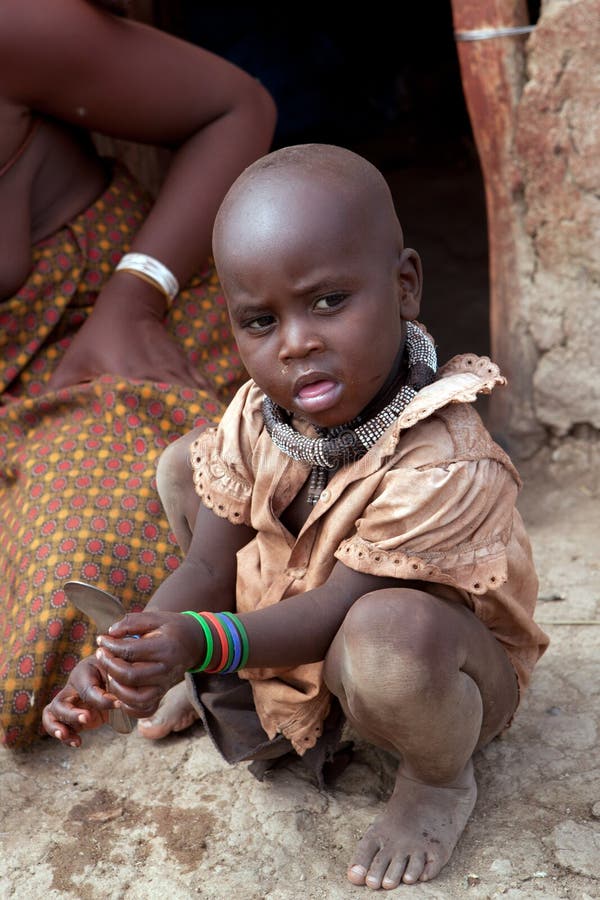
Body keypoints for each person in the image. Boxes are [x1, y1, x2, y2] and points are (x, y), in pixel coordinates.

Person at [42, 144, 549, 890]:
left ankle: (437, 781)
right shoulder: (262, 412)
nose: (296, 343)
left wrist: (196, 638)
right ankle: (207, 670)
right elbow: (210, 566)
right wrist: (135, 650)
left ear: (404, 285)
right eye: (259, 321)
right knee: (186, 462)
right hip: (303, 633)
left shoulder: (446, 457)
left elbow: (339, 609)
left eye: (327, 302)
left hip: (434, 671)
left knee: (385, 634)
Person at [0, 0, 276, 749]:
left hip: (95, 335)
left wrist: (135, 295)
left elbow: (235, 108)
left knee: (86, 587)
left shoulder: (13, 32)